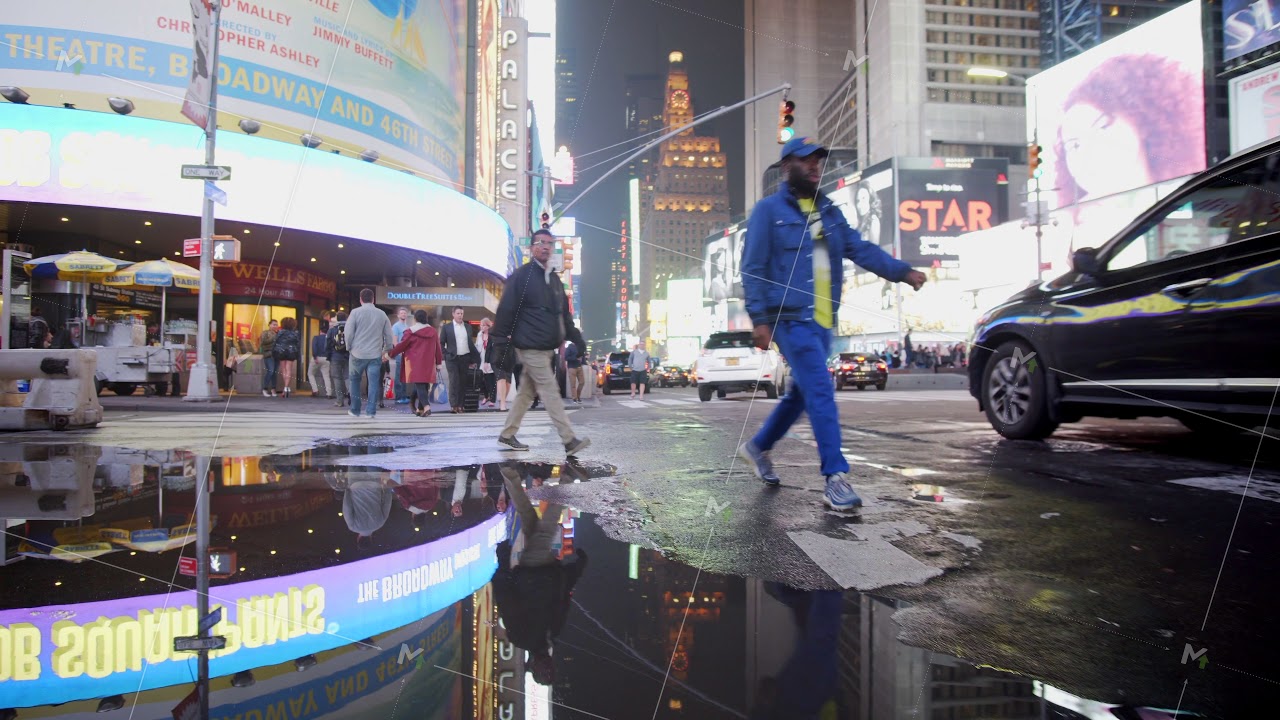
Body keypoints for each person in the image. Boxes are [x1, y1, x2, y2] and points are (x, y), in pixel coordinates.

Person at [738, 136, 926, 512]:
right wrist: (760, 319)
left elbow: (860, 249)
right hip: (790, 318)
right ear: (787, 165)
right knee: (821, 389)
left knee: (803, 393)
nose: (814, 167)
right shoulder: (768, 211)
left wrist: (902, 272)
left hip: (823, 320)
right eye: (806, 160)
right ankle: (835, 478)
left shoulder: (830, 212)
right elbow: (753, 267)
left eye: (818, 161)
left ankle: (758, 446)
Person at [492, 228, 590, 455]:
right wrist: (499, 342)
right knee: (550, 390)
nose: (545, 246)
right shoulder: (523, 276)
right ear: (532, 247)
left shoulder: (554, 280)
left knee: (526, 393)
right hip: (530, 346)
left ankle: (507, 434)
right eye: (541, 242)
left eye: (549, 243)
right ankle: (569, 440)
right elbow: (506, 310)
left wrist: (577, 339)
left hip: (546, 349)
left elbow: (563, 316)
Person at [493, 462, 588, 687]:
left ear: (533, 666)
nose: (547, 665)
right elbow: (563, 596)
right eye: (550, 668)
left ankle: (567, 477)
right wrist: (578, 567)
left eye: (543, 669)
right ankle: (508, 474)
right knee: (528, 515)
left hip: (532, 569)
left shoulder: (521, 637)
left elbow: (506, 600)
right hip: (546, 568)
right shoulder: (553, 632)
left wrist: (503, 563)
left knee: (548, 525)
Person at [345, 289, 395, 418]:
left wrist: (349, 347)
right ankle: (371, 411)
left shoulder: (355, 313)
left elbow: (349, 333)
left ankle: (355, 410)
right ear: (373, 299)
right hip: (375, 355)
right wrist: (386, 350)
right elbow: (389, 335)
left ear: (361, 299)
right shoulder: (382, 314)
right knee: (373, 383)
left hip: (357, 353)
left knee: (354, 381)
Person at [385, 309, 442, 417]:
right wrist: (438, 362)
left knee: (420, 385)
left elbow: (401, 346)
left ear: (415, 319)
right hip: (429, 363)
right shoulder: (433, 332)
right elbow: (437, 348)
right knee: (424, 385)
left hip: (415, 363)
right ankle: (420, 409)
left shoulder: (410, 332)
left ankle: (426, 406)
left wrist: (389, 355)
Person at [440, 306, 477, 414]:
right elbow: (441, 343)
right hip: (452, 358)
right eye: (458, 313)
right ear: (453, 314)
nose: (460, 315)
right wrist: (445, 354)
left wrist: (473, 359)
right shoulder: (447, 327)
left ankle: (461, 405)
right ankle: (454, 405)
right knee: (454, 381)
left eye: (461, 313)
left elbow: (471, 344)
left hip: (465, 357)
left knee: (463, 382)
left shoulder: (468, 327)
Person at [274, 317, 301, 399]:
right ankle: (286, 387)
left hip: (281, 351)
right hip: (291, 351)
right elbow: (297, 342)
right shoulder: (296, 333)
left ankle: (285, 388)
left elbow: (276, 341)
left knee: (283, 369)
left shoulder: (280, 332)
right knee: (289, 369)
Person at [326, 311, 350, 408]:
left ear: (337, 318)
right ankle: (351, 396)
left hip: (335, 357)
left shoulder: (332, 330)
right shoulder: (350, 329)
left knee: (337, 378)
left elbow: (327, 345)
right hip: (348, 356)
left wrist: (329, 356)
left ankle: (340, 401)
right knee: (348, 377)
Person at [475, 317, 497, 408]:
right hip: (481, 360)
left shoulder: (492, 335)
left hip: (490, 361)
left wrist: (488, 362)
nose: (482, 327)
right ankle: (486, 396)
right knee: (481, 381)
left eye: (484, 325)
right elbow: (477, 346)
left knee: (491, 381)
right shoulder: (479, 335)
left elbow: (492, 350)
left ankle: (492, 399)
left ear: (488, 326)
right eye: (481, 325)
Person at [390, 306, 410, 404]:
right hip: (399, 354)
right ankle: (398, 397)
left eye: (405, 313)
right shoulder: (395, 326)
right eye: (401, 313)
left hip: (407, 355)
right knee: (398, 375)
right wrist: (400, 351)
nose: (403, 314)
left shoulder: (407, 326)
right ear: (398, 315)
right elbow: (395, 342)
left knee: (404, 375)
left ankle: (404, 395)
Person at [308, 324, 332, 400]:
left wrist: (315, 357)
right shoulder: (329, 339)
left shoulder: (316, 338)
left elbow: (314, 347)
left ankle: (315, 390)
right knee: (326, 376)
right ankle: (329, 393)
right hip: (326, 359)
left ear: (320, 331)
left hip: (317, 357)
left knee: (310, 374)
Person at [258, 320, 279, 397]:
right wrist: (274, 338)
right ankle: (265, 389)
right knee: (270, 371)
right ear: (269, 325)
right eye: (273, 324)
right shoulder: (265, 333)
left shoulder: (278, 333)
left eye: (276, 325)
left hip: (276, 355)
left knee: (274, 373)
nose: (275, 326)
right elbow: (263, 342)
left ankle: (273, 389)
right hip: (268, 354)